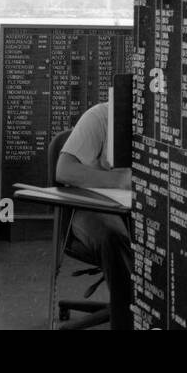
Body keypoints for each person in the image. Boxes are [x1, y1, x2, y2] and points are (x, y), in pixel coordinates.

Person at [56, 102, 133, 329]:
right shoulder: (101, 116)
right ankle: (125, 320)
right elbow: (64, 170)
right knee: (114, 237)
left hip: (137, 209)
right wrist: (118, 181)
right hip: (89, 205)